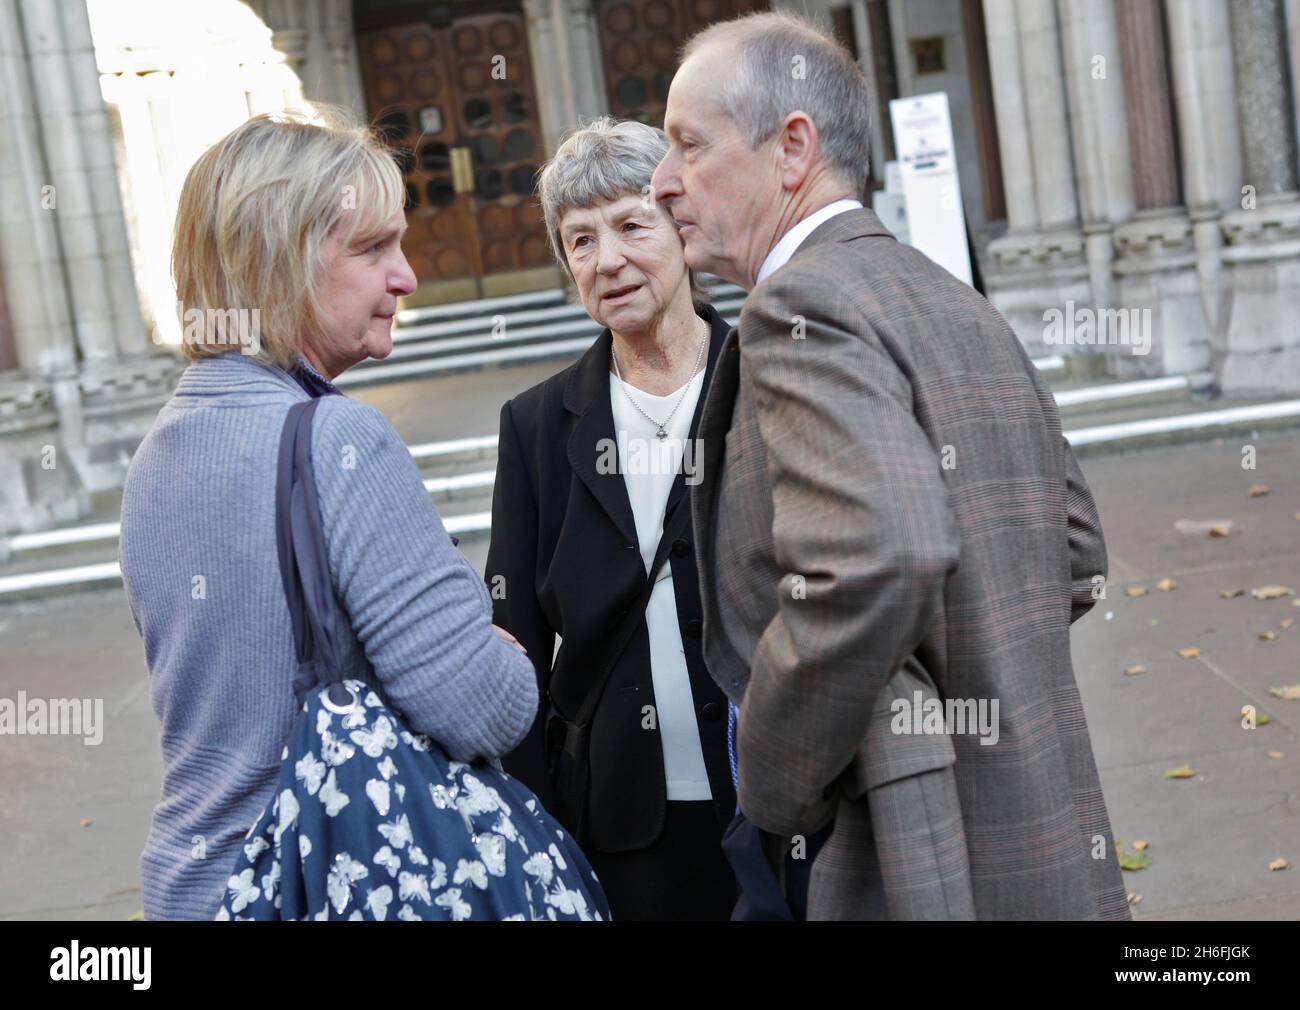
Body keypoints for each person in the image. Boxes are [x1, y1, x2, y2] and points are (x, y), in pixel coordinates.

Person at [649, 12, 1131, 920]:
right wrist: (977, 669)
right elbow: (1075, 548)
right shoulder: (956, 298)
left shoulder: (799, 304)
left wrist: (776, 773)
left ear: (793, 148)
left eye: (688, 146)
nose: (664, 182)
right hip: (1039, 822)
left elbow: (881, 552)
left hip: (907, 847)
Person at [119, 108, 537, 920]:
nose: (406, 276)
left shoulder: (156, 456)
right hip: (323, 881)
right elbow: (485, 706)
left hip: (196, 889)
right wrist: (491, 644)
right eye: (374, 247)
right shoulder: (336, 439)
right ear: (280, 262)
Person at [485, 117, 738, 920]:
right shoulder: (535, 426)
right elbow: (514, 644)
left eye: (632, 225)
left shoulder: (770, 382)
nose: (609, 260)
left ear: (681, 226)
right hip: (617, 822)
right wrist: (533, 826)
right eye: (581, 241)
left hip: (778, 799)